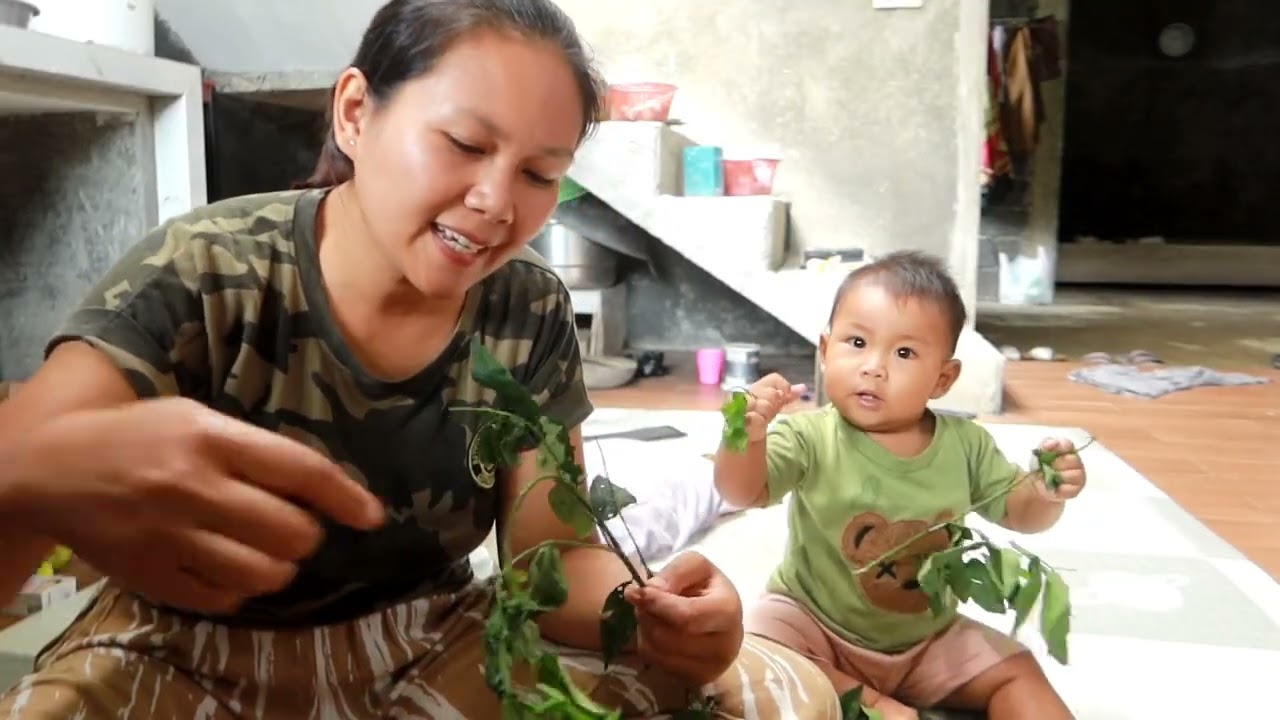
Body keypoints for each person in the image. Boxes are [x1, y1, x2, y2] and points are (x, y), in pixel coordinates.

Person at [0, 1, 841, 717]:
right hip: (179, 655)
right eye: (465, 144)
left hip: (422, 646)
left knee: (775, 694)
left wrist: (656, 614)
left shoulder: (526, 307)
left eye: (539, 173)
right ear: (355, 114)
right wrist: (39, 477)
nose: (496, 201)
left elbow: (547, 563)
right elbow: (27, 467)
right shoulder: (204, 271)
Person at [713, 251, 1086, 720]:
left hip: (926, 640)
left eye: (904, 353)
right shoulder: (810, 436)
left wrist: (1045, 491)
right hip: (814, 629)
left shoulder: (966, 445)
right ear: (825, 351)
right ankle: (873, 704)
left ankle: (874, 700)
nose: (874, 367)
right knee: (760, 642)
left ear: (943, 378)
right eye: (856, 342)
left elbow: (1018, 512)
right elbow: (740, 491)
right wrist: (743, 437)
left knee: (1017, 670)